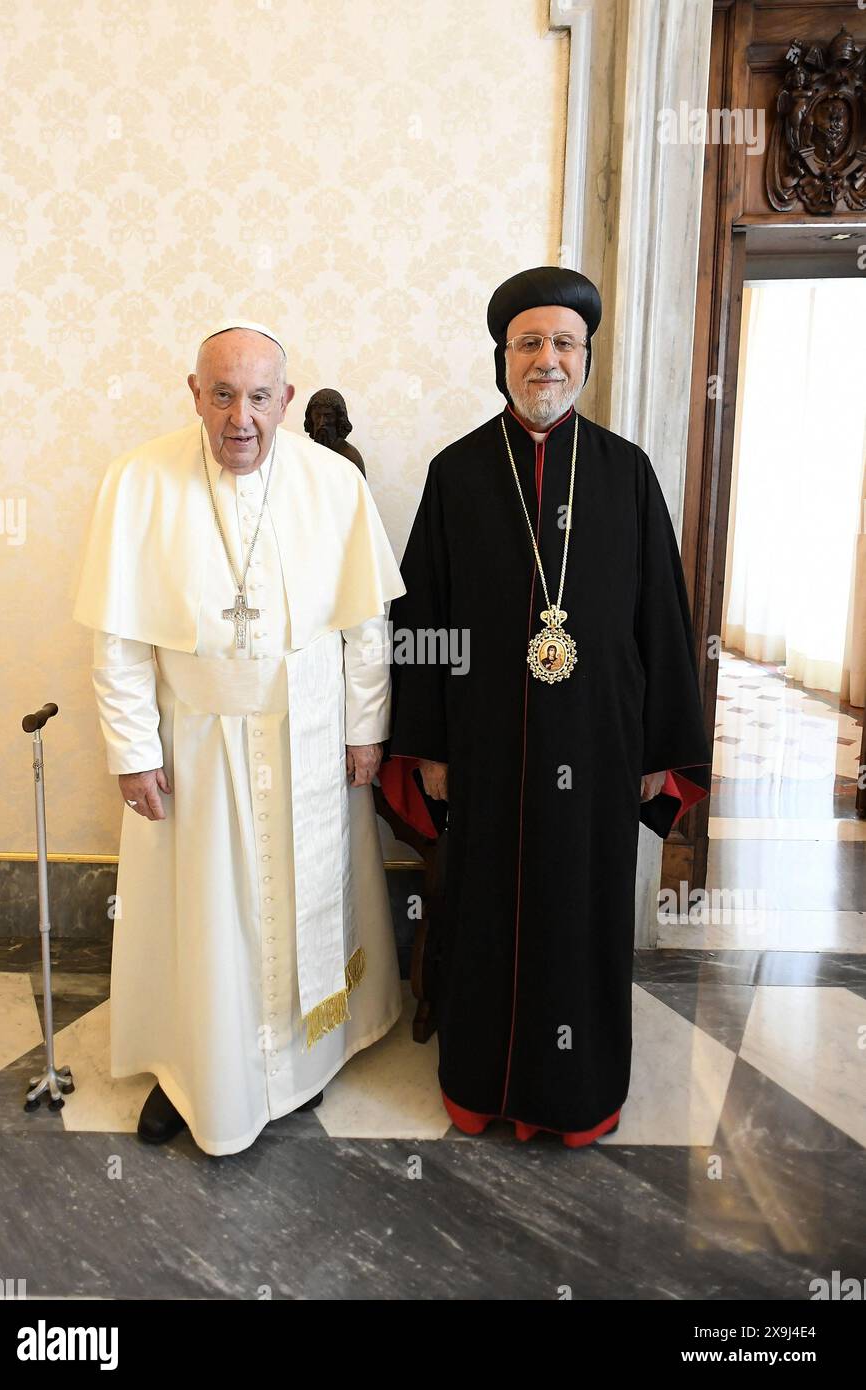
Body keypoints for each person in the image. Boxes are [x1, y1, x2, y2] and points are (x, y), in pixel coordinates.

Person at [380, 267, 712, 1146]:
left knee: (581, 911)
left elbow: (662, 624)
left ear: (586, 358)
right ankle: (479, 1086)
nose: (547, 360)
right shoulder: (456, 473)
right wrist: (428, 743)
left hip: (599, 749)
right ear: (502, 358)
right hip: (485, 749)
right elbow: (423, 618)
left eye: (564, 343)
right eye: (529, 343)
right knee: (485, 912)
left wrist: (657, 747)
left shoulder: (627, 473)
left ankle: (577, 1094)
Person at [73, 319, 405, 1155]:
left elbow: (366, 623)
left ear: (286, 400)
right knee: (206, 913)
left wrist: (367, 730)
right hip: (194, 746)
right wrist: (133, 751)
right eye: (221, 395)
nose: (240, 418)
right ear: (194, 394)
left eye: (259, 396)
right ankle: (197, 1071)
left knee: (304, 896)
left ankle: (309, 1053)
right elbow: (118, 639)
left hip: (309, 733)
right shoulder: (138, 481)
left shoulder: (333, 485)